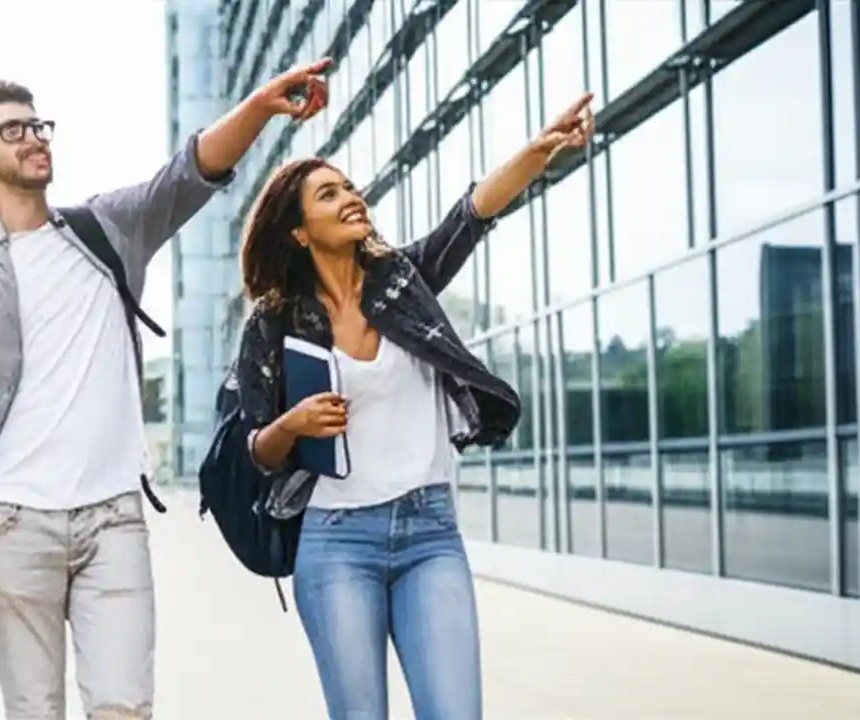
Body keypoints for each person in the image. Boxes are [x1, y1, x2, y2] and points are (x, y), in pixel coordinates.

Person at [0, 60, 331, 719]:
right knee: (34, 710)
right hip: (11, 525)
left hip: (113, 519)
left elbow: (189, 172)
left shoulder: (107, 230)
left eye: (38, 124)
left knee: (126, 708)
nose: (33, 137)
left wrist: (259, 105)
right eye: (12, 130)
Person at [232, 93, 596, 719]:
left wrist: (539, 150)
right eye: (328, 195)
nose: (351, 198)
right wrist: (292, 425)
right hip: (338, 540)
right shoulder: (274, 323)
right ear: (298, 232)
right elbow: (256, 449)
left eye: (349, 187)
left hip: (431, 532)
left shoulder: (403, 280)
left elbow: (471, 214)